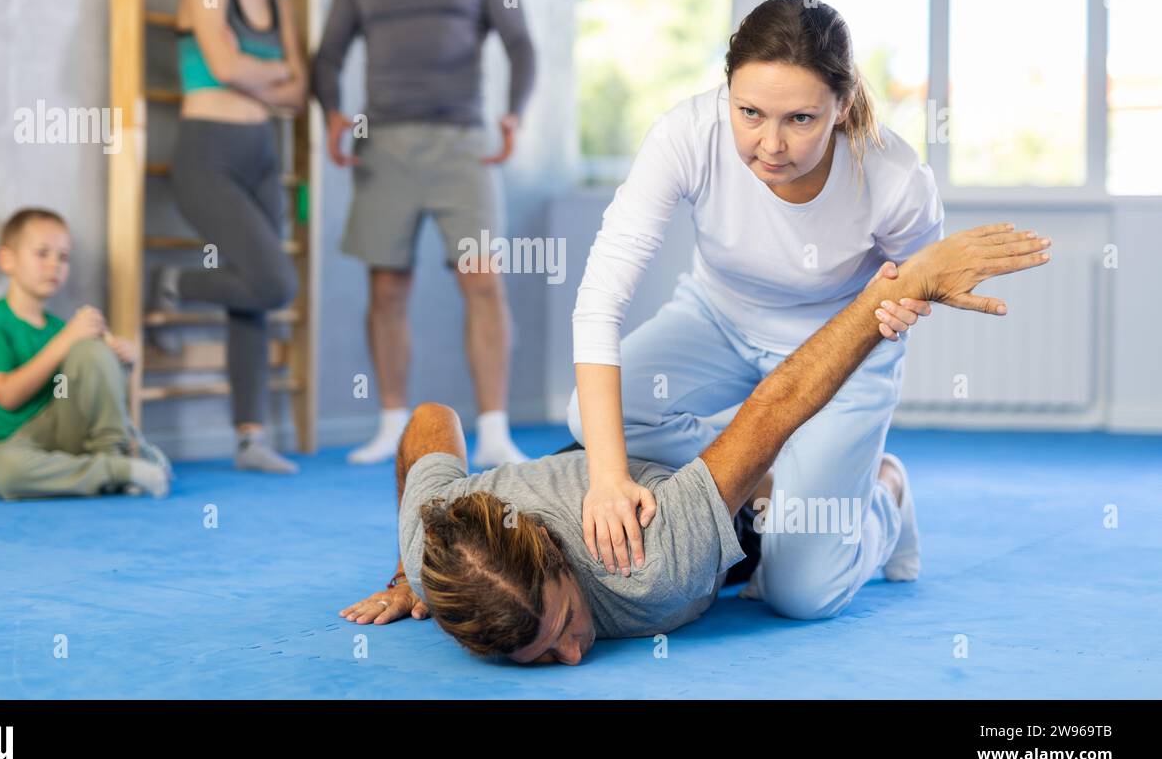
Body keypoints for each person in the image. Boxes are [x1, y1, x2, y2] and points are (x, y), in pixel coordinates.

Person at [340, 222, 1052, 664]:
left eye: (562, 620)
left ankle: (888, 490)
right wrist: (408, 575)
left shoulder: (650, 566)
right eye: (540, 655)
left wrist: (884, 297)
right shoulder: (434, 545)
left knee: (805, 590)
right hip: (643, 480)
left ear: (558, 556)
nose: (571, 653)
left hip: (692, 504)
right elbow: (430, 418)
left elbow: (770, 414)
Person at [568, 0, 943, 620]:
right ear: (727, 93)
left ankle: (887, 491)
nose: (770, 144)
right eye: (750, 113)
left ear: (841, 106)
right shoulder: (687, 134)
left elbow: (914, 289)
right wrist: (606, 479)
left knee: (803, 596)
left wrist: (909, 299)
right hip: (716, 318)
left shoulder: (897, 180)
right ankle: (769, 470)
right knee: (594, 416)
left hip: (839, 353)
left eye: (800, 119)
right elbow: (599, 301)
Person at [311, 0, 536, 467]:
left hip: (462, 143)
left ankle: (493, 429)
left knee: (483, 283)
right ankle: (390, 423)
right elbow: (327, 54)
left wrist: (513, 110)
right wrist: (333, 110)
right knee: (387, 287)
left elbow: (521, 44)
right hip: (383, 145)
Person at [149, 0, 305, 475]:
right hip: (207, 152)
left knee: (257, 293)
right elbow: (220, 64)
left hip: (261, 153)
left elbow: (298, 90)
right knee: (274, 281)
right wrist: (268, 72)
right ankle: (173, 284)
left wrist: (252, 71)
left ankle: (248, 438)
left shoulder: (278, 2)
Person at [0, 209, 174, 500]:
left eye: (63, 257)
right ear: (7, 259)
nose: (54, 265)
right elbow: (7, 396)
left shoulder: (63, 330)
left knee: (91, 351)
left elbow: (92, 390)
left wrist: (124, 362)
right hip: (7, 447)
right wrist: (65, 341)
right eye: (42, 253)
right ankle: (114, 472)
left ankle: (114, 453)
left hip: (62, 435)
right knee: (4, 474)